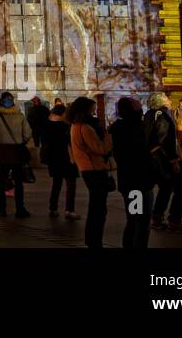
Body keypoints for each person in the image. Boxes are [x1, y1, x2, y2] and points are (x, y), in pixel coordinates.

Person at [109, 97, 157, 248]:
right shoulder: (136, 128)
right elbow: (141, 152)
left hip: (129, 181)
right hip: (138, 183)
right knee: (140, 222)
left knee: (133, 220)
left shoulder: (118, 127)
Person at [69, 95, 113, 249]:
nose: (95, 113)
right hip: (94, 169)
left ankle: (92, 240)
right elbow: (101, 148)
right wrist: (108, 136)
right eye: (93, 110)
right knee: (98, 209)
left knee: (96, 207)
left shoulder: (75, 126)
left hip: (87, 169)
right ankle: (95, 241)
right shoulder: (86, 128)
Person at [144, 93, 182, 232]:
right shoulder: (162, 114)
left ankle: (158, 218)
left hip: (154, 158)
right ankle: (172, 219)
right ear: (161, 101)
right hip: (163, 159)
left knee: (166, 188)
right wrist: (174, 160)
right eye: (167, 98)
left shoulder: (149, 114)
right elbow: (165, 139)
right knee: (179, 187)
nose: (170, 101)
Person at [0, 91, 32, 217]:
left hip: (2, 151)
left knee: (1, 181)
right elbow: (28, 133)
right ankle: (20, 209)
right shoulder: (20, 115)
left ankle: (2, 209)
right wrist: (20, 142)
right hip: (16, 151)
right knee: (18, 181)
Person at [42, 100, 79, 219]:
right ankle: (69, 210)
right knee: (71, 185)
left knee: (56, 184)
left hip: (54, 159)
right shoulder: (66, 126)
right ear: (63, 114)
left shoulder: (47, 125)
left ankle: (53, 208)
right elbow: (70, 143)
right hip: (67, 158)